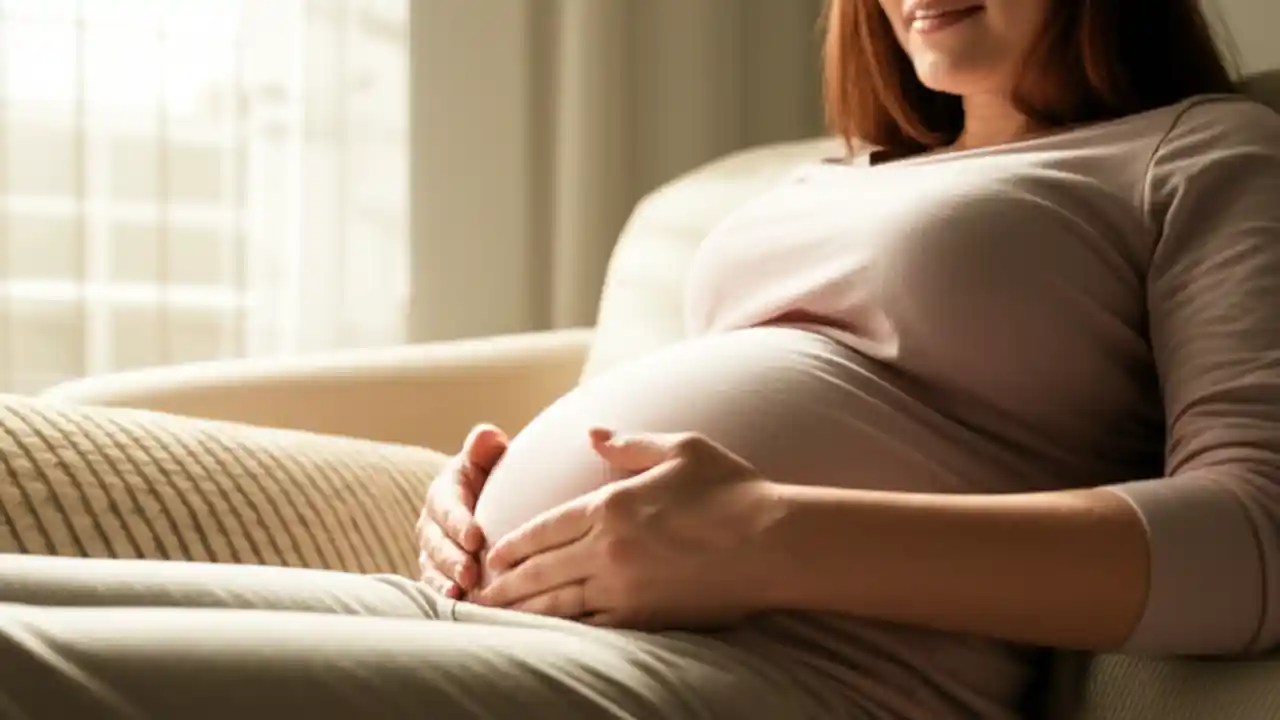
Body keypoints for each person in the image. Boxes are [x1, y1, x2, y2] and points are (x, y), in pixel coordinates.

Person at [3, 0, 1277, 718]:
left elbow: (1250, 544)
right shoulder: (836, 179)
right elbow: (688, 429)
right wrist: (486, 490)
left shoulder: (1192, 154)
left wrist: (770, 535)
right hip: (493, 613)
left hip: (784, 677)